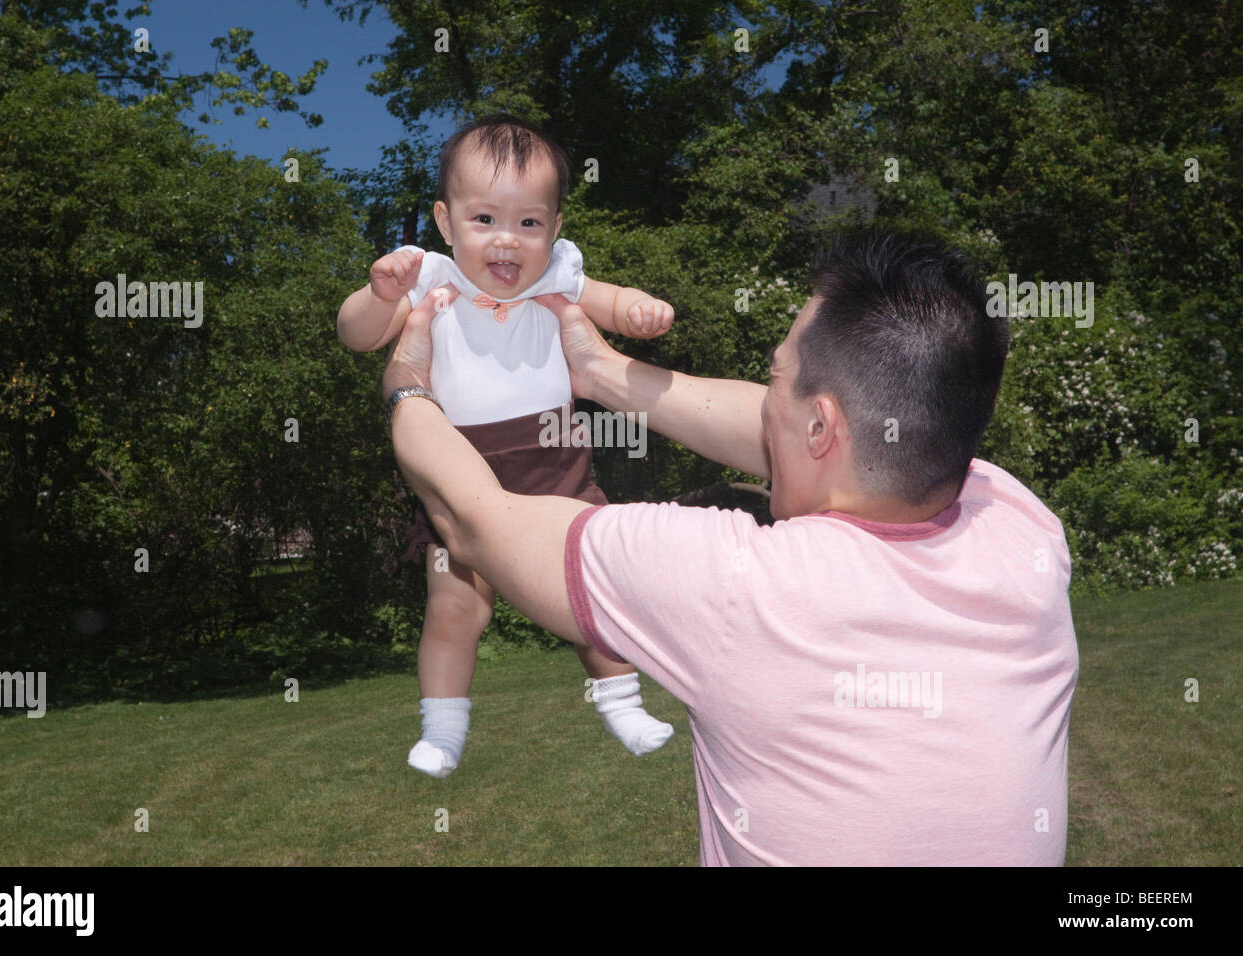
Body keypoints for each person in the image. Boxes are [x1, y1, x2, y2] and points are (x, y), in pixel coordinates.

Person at [381, 231, 1080, 865]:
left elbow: (477, 520)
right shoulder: (1020, 526)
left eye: (774, 376)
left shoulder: (738, 585)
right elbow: (840, 440)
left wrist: (408, 389)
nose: (763, 397)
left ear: (819, 423)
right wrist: (597, 372)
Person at [337, 116, 677, 778]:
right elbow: (356, 335)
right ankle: (442, 728)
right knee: (455, 608)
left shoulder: (555, 275)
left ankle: (624, 704)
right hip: (457, 472)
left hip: (556, 463)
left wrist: (634, 307)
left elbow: (604, 301)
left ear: (552, 228)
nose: (507, 239)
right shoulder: (429, 277)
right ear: (445, 220)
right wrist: (379, 295)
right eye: (485, 217)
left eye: (529, 223)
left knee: (589, 592)